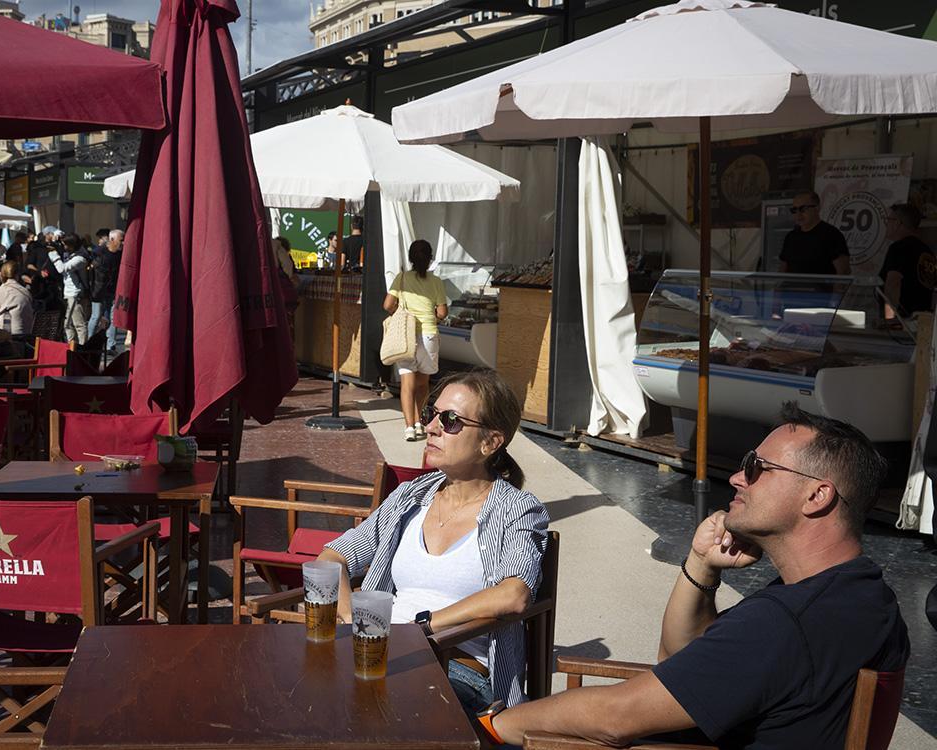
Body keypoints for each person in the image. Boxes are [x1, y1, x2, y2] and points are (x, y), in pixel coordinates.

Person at [484, 403, 910, 749]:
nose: (740, 477)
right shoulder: (865, 597)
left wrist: (493, 726)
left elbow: (617, 718)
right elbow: (681, 664)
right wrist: (702, 564)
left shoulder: (786, 622)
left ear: (817, 495)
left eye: (760, 467)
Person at [319, 368, 548, 716]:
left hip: (455, 669)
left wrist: (424, 627)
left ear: (490, 442)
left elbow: (514, 595)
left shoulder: (516, 510)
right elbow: (332, 557)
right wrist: (353, 618)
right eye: (431, 414)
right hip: (381, 655)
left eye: (451, 420)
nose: (431, 427)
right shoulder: (410, 497)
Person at [385, 239, 448, 441]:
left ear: (411, 258)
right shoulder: (436, 281)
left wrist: (400, 312)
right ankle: (420, 422)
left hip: (406, 335)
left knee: (407, 384)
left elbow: (387, 304)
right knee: (423, 384)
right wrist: (434, 315)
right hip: (428, 334)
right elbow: (442, 312)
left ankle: (409, 427)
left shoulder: (401, 278)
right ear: (430, 259)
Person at [879, 202, 935, 319]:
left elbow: (893, 283)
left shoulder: (899, 248)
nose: (886, 224)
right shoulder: (927, 251)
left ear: (897, 223)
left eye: (888, 220)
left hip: (903, 323)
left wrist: (889, 318)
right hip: (921, 320)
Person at [778, 191, 851, 275]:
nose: (798, 214)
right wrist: (778, 286)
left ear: (817, 208)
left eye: (803, 209)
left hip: (822, 288)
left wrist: (836, 288)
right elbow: (783, 268)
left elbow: (843, 272)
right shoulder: (791, 236)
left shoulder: (831, 235)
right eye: (794, 210)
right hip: (792, 287)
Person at [48, 233, 91, 345]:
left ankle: (82, 348)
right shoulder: (72, 254)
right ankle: (71, 346)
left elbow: (62, 269)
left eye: (65, 245)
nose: (64, 247)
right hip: (69, 293)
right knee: (67, 324)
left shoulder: (80, 259)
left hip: (76, 294)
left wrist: (53, 254)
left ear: (72, 245)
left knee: (79, 324)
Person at [88, 229, 124, 350]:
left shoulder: (121, 254)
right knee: (96, 316)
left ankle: (111, 345)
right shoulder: (99, 253)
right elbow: (94, 273)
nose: (123, 243)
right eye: (121, 240)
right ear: (112, 240)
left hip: (113, 290)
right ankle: (89, 342)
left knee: (113, 318)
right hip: (98, 291)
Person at [0, 260, 35, 336]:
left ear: (1, 274)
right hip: (26, 336)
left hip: (6, 337)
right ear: (17, 275)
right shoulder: (26, 292)